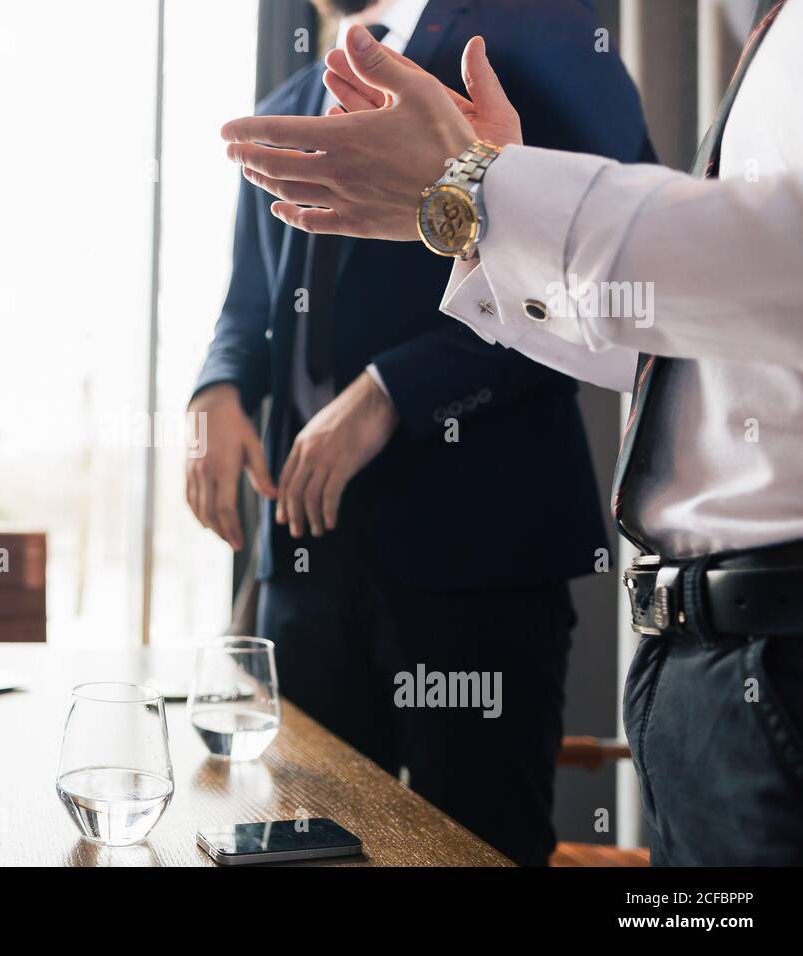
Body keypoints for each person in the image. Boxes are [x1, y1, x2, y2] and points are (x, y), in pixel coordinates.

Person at [220, 0, 803, 865]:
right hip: (693, 665)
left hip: (500, 556)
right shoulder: (296, 92)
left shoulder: (535, 27)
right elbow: (662, 334)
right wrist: (480, 221)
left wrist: (475, 198)